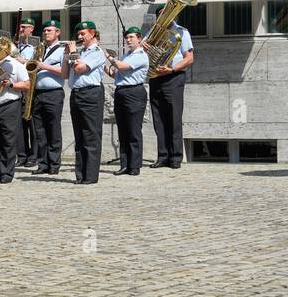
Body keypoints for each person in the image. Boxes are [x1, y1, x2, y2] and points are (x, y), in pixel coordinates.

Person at [64, 20, 108, 185]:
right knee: (79, 136)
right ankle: (80, 175)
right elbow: (65, 74)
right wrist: (65, 54)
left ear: (92, 33)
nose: (80, 37)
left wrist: (74, 52)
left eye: (83, 34)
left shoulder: (96, 52)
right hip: (76, 93)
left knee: (91, 134)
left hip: (91, 94)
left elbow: (80, 68)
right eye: (78, 35)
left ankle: (90, 175)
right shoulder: (80, 52)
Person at [0, 36, 29, 184]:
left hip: (9, 106)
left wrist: (11, 85)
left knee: (8, 141)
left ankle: (7, 173)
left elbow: (27, 85)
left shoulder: (16, 65)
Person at [149, 14, 194, 170]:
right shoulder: (153, 32)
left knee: (174, 117)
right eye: (160, 16)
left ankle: (175, 157)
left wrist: (172, 68)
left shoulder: (181, 32)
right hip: (155, 76)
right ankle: (162, 156)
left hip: (173, 76)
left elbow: (189, 58)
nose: (162, 19)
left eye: (165, 15)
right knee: (158, 118)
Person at [107, 26, 150, 176]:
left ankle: (135, 165)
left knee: (133, 131)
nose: (128, 40)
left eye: (131, 37)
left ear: (139, 39)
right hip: (121, 91)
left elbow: (121, 67)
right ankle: (124, 164)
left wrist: (110, 58)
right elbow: (116, 74)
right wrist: (104, 67)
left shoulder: (140, 55)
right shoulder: (126, 55)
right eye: (126, 38)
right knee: (123, 131)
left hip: (134, 92)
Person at [29, 20, 66, 174]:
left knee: (53, 129)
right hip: (38, 93)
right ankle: (43, 163)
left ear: (57, 32)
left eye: (49, 30)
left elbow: (64, 73)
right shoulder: (40, 49)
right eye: (44, 31)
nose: (46, 33)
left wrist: (43, 66)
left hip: (54, 93)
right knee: (40, 130)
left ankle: (54, 164)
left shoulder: (63, 50)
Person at [13, 18, 38, 165]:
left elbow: (36, 64)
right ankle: (21, 155)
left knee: (32, 123)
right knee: (19, 123)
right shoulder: (15, 46)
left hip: (31, 86)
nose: (21, 30)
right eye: (20, 27)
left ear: (31, 29)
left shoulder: (35, 46)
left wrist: (23, 61)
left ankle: (34, 156)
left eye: (24, 27)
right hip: (17, 86)